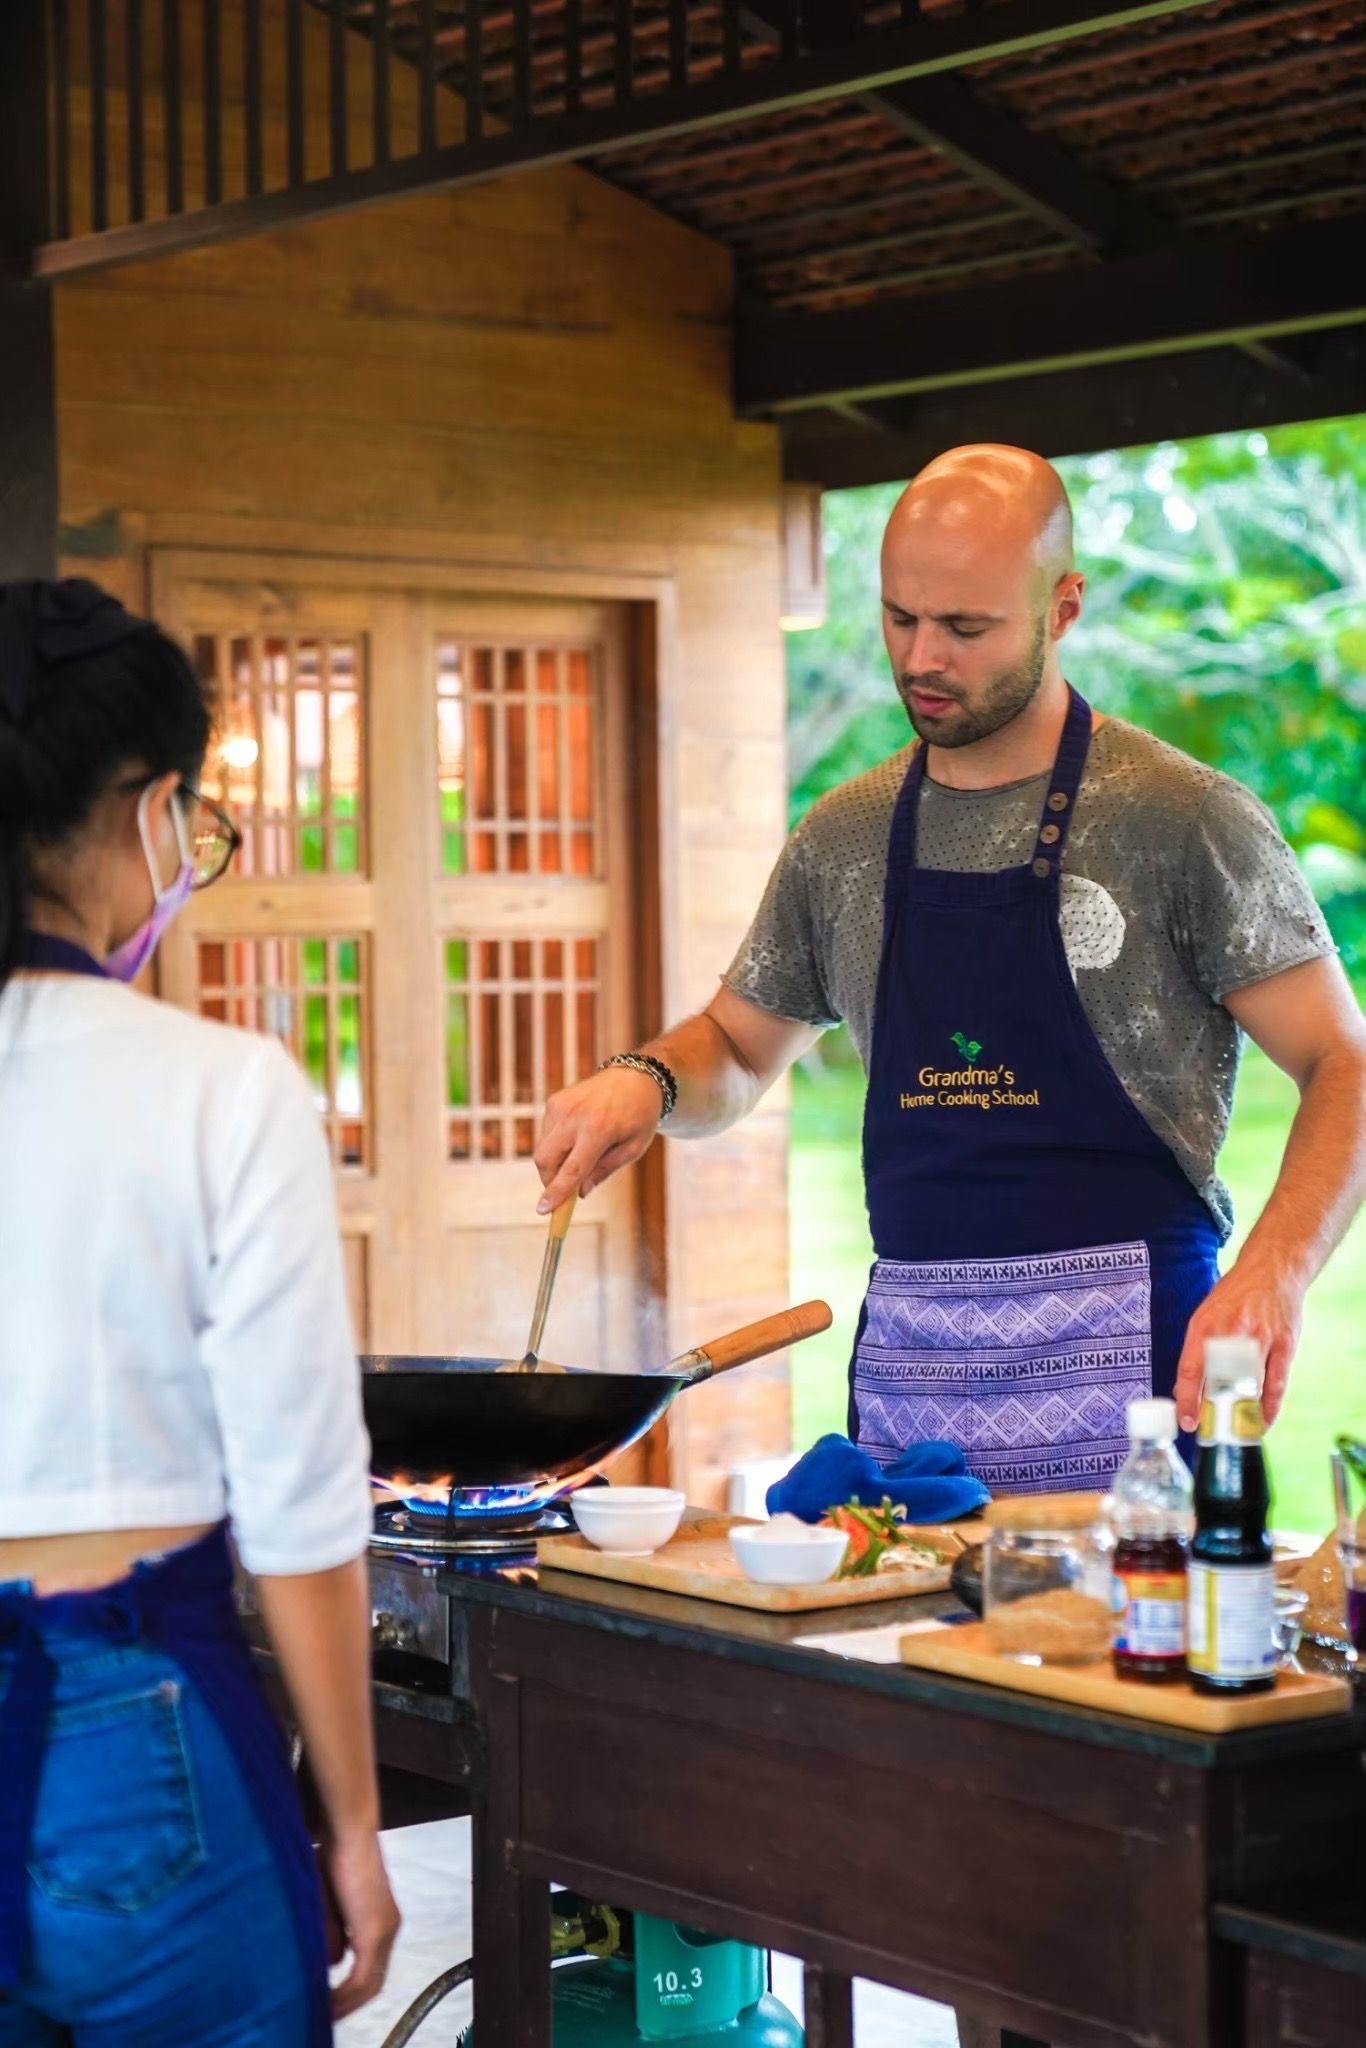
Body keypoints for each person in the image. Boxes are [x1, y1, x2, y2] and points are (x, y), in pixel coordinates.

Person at [534, 446, 1366, 1492]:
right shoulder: (842, 836)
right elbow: (740, 1048)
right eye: (898, 617)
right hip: (909, 1414)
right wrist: (647, 1081)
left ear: (1063, 608)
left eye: (965, 628)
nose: (921, 657)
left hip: (1139, 1401)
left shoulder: (1180, 818)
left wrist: (1274, 1272)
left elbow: (1344, 1063)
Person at [0, 579, 398, 2045]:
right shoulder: (217, 1090)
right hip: (133, 1722)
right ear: (153, 810)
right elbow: (300, 1509)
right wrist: (351, 1824)